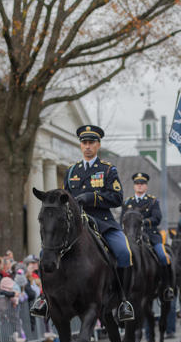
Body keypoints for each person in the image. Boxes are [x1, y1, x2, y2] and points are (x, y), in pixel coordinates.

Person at [31, 124, 134, 321]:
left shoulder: (107, 170)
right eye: (84, 143)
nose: (87, 146)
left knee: (124, 252)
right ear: (81, 146)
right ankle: (45, 298)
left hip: (103, 222)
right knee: (46, 252)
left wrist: (92, 197)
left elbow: (117, 197)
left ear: (98, 145)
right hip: (76, 225)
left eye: (91, 143)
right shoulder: (71, 171)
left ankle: (123, 301)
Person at [122, 172, 174, 300]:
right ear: (134, 186)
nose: (139, 186)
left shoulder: (153, 201)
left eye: (142, 184)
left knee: (163, 256)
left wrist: (142, 222)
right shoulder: (127, 202)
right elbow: (122, 221)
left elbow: (157, 218)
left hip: (150, 235)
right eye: (137, 184)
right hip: (130, 236)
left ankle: (167, 287)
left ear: (146, 186)